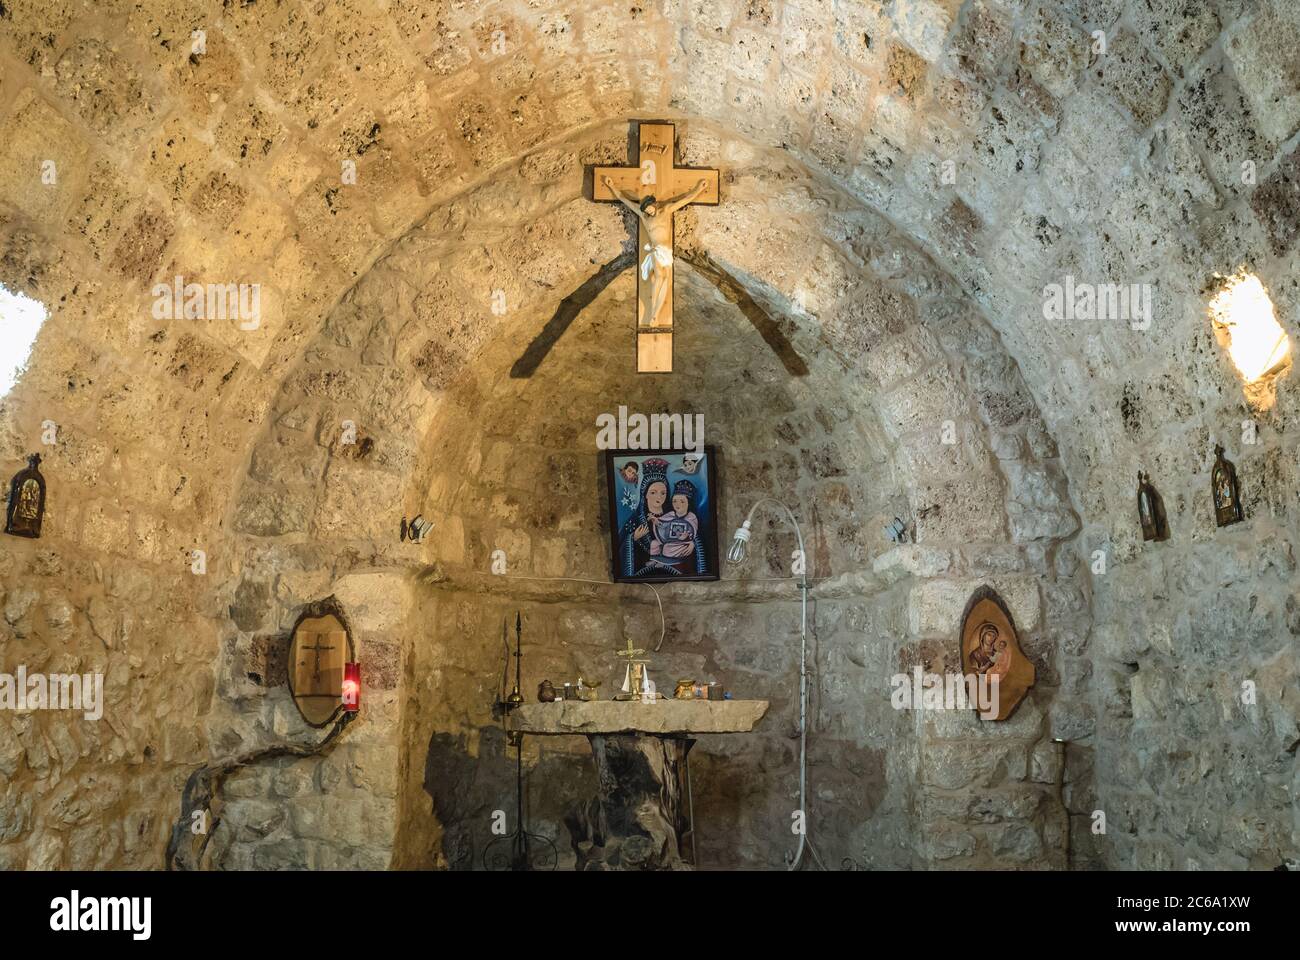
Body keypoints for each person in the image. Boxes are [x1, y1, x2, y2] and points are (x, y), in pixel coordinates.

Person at [602, 175, 710, 327]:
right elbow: (624, 200)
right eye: (645, 210)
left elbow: (684, 200)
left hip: (666, 251)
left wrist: (700, 188)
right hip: (656, 251)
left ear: (654, 204)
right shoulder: (645, 217)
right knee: (659, 277)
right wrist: (611, 186)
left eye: (649, 208)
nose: (648, 211)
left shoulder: (666, 210)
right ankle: (653, 315)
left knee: (664, 279)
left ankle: (655, 313)